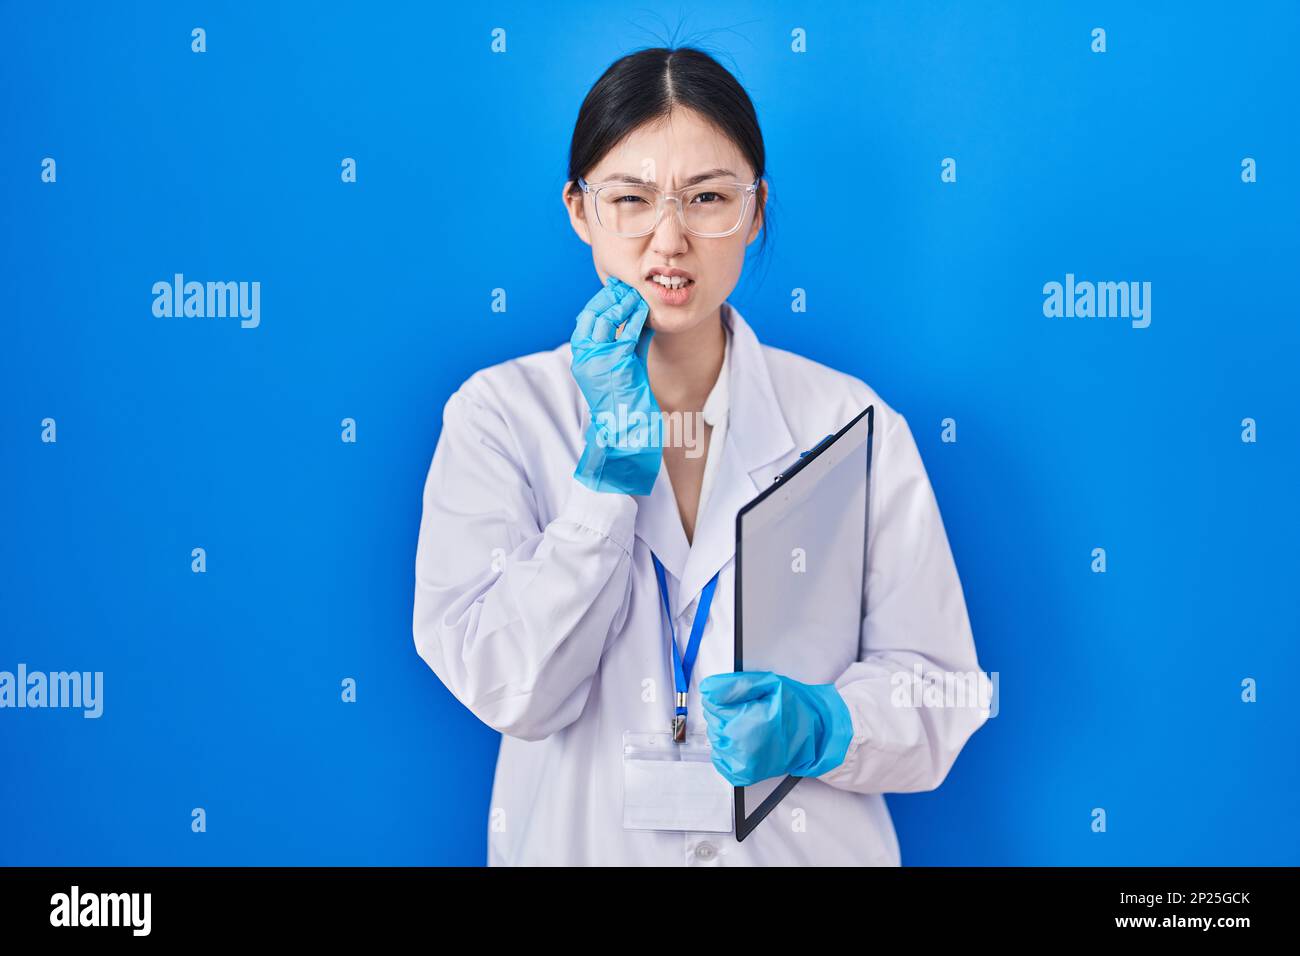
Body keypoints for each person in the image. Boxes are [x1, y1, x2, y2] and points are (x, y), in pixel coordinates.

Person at [413, 46, 988, 866]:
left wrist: (827, 723)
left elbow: (942, 692)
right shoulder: (499, 417)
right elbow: (511, 687)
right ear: (579, 210)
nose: (669, 239)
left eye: (709, 198)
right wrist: (605, 486)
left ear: (755, 213)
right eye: (632, 199)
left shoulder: (850, 423)